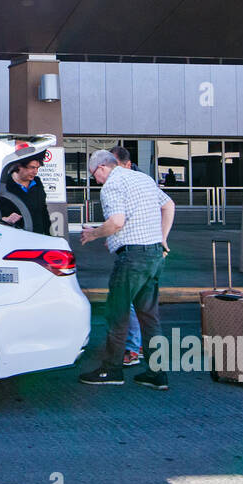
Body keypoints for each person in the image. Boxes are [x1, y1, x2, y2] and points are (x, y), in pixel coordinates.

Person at [78, 149, 174, 389]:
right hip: (153, 255)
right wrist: (162, 239)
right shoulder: (143, 178)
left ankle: (111, 370)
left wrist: (93, 234)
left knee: (117, 313)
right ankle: (157, 373)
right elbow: (169, 205)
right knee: (149, 317)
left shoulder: (111, 184)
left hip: (131, 257)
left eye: (94, 175)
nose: (95, 180)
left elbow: (117, 222)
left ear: (101, 168)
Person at [107, 146, 143, 366]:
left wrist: (98, 232)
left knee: (127, 300)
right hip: (147, 248)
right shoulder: (142, 181)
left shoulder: (132, 183)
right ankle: (139, 345)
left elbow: (120, 221)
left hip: (135, 249)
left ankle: (132, 347)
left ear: (127, 165)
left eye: (115, 166)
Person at [0, 152, 52, 235]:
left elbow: (43, 210)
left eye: (37, 168)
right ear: (19, 166)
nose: (35, 172)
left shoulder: (37, 183)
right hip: (13, 236)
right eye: (32, 167)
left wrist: (48, 234)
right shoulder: (3, 186)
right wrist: (4, 220)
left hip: (38, 236)